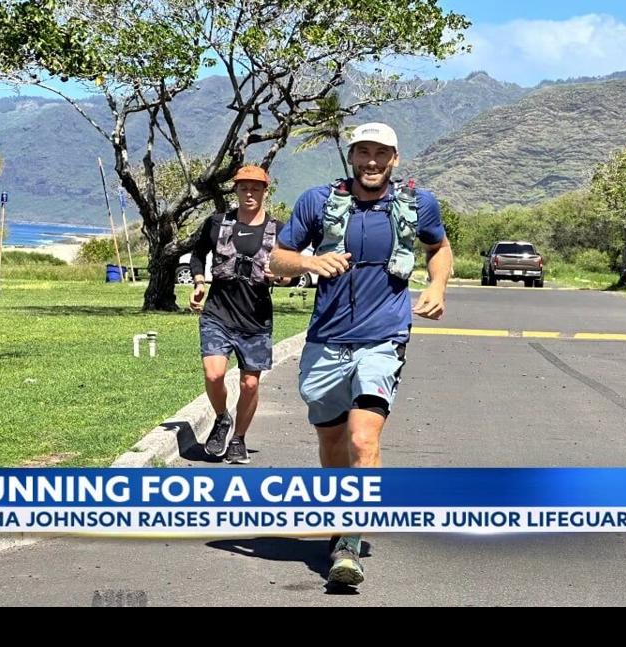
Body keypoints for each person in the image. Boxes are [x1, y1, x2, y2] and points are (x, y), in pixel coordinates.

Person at [269, 122, 453, 586]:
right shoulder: (317, 201)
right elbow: (277, 258)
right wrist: (310, 261)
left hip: (383, 338)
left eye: (381, 154)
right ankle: (340, 514)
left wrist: (437, 284)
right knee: (331, 444)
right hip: (326, 341)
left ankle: (349, 546)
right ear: (351, 156)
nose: (372, 162)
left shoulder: (416, 202)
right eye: (363, 152)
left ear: (395, 158)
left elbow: (439, 247)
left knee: (363, 440)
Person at [189, 165, 291, 465]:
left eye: (256, 188)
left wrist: (282, 277)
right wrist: (197, 282)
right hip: (218, 313)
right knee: (214, 373)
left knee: (249, 384)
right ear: (235, 190)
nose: (249, 193)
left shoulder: (279, 230)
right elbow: (198, 255)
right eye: (244, 187)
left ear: (264, 191)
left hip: (256, 318)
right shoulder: (218, 222)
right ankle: (222, 418)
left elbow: (291, 271)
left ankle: (238, 438)